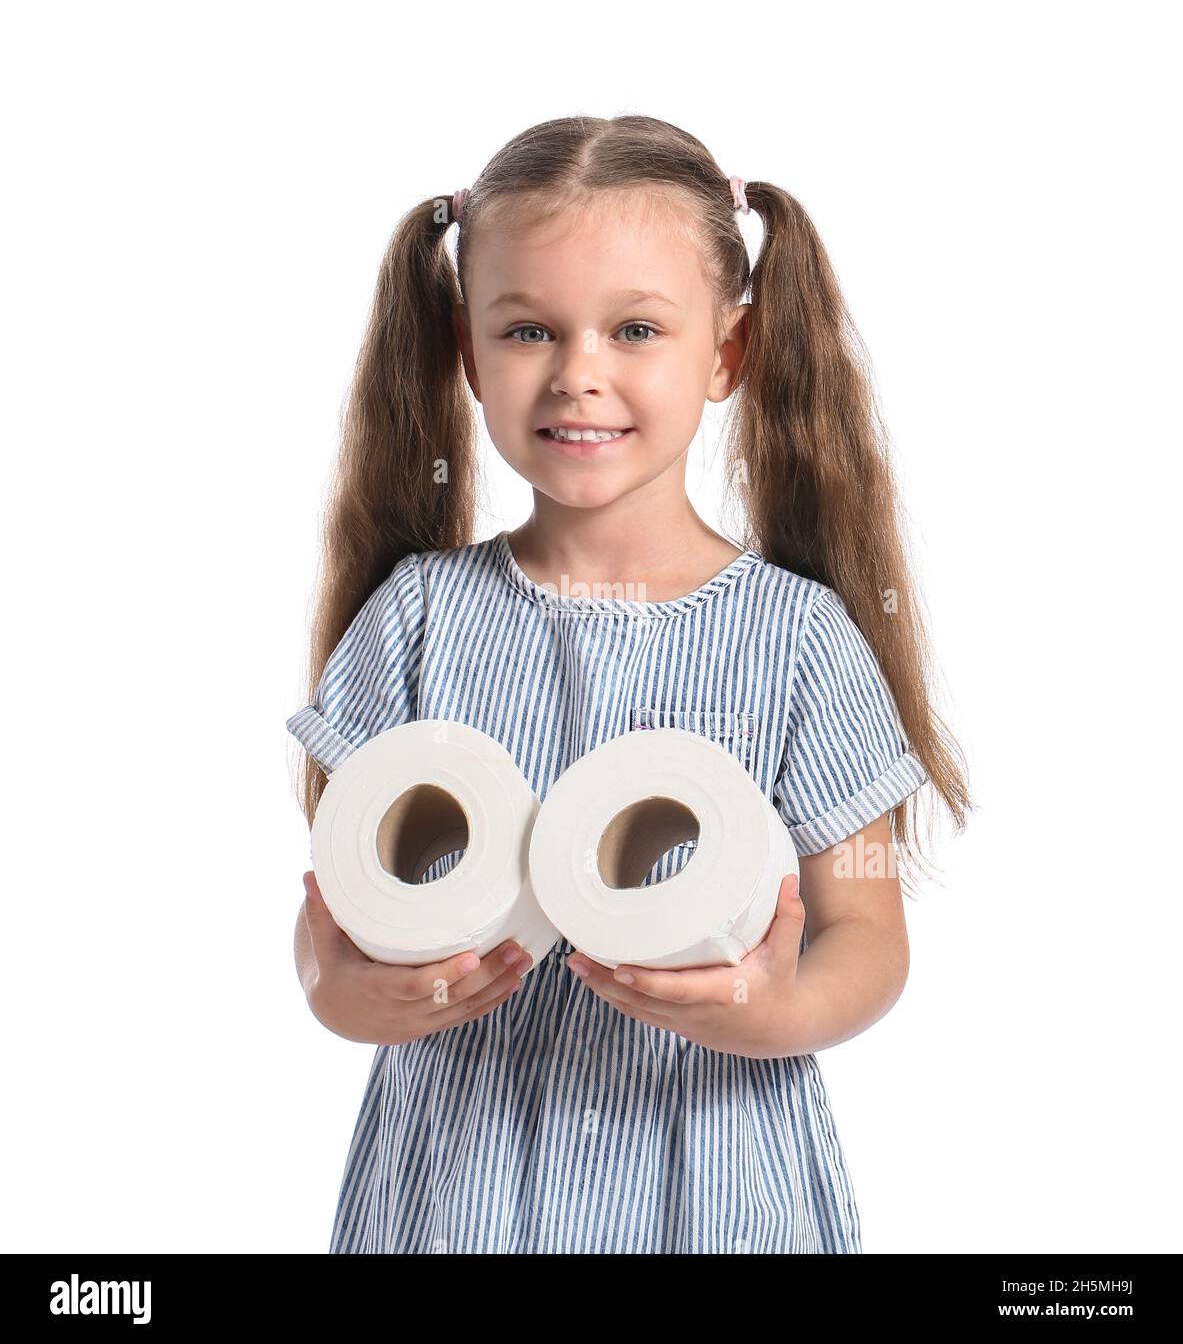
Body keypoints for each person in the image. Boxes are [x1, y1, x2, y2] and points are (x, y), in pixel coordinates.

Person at [286, 113, 971, 1254]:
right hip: (459, 1182)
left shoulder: (797, 639)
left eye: (636, 328)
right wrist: (343, 994)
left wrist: (774, 1005)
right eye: (527, 330)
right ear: (467, 351)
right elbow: (334, 913)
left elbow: (865, 931)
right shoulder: (415, 619)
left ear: (726, 353)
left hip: (709, 1172)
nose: (577, 375)